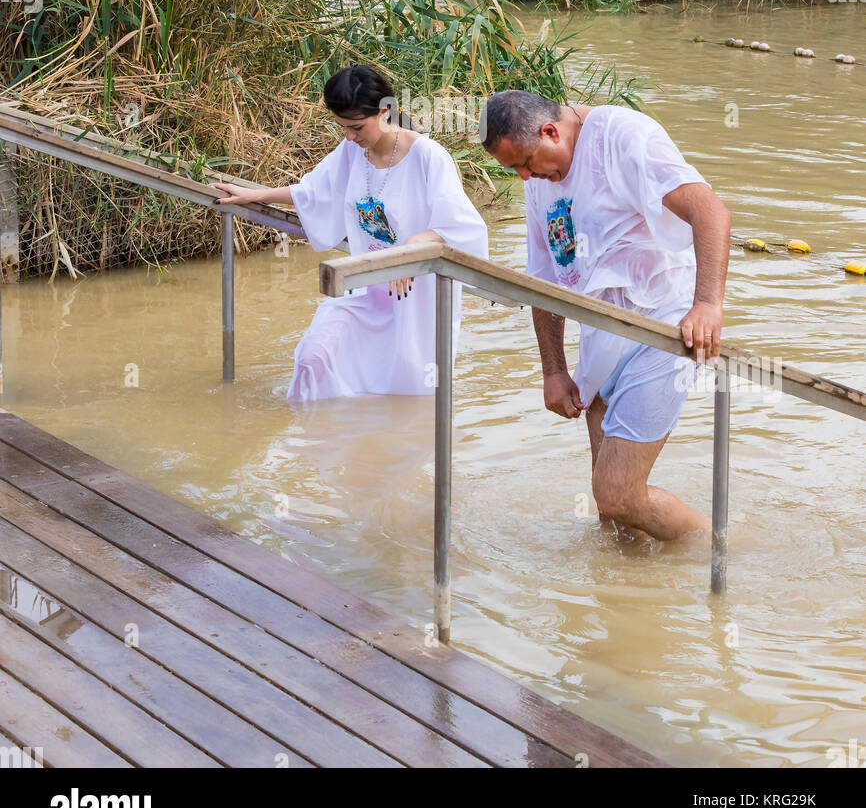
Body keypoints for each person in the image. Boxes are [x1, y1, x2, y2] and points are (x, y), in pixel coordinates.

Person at [480, 90, 731, 543]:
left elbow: (708, 211)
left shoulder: (622, 136)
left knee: (618, 493)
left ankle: (716, 548)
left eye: (526, 161)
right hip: (600, 329)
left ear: (550, 131)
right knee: (611, 514)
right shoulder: (538, 182)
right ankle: (625, 602)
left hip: (663, 324)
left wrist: (708, 305)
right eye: (512, 170)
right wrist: (553, 371)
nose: (523, 176)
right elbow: (545, 282)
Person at [216, 65, 488, 400]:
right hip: (364, 288)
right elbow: (313, 192)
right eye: (342, 127)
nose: (349, 136)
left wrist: (413, 245)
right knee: (312, 358)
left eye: (356, 127)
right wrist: (255, 196)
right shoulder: (352, 153)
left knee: (407, 393)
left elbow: (461, 226)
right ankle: (315, 445)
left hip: (413, 298)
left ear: (385, 111)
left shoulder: (427, 157)